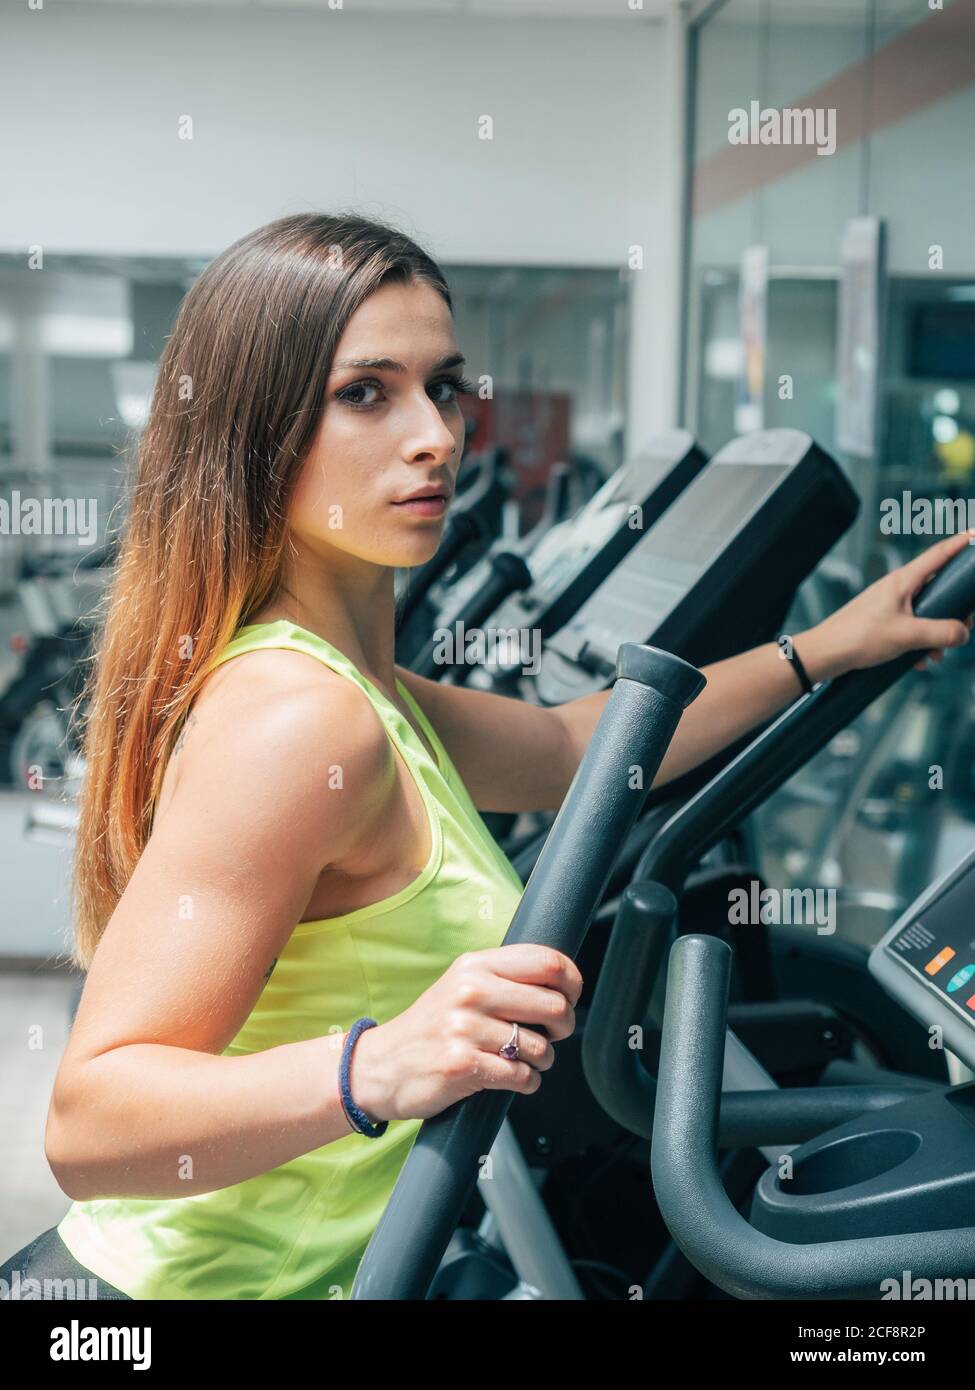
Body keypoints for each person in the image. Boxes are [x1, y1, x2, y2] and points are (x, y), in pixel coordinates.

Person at [2, 211, 971, 1301]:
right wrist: (384, 1060)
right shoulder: (299, 720)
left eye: (444, 386)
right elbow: (91, 1118)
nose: (437, 435)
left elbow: (573, 747)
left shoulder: (364, 690)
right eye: (366, 393)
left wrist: (831, 646)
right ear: (256, 430)